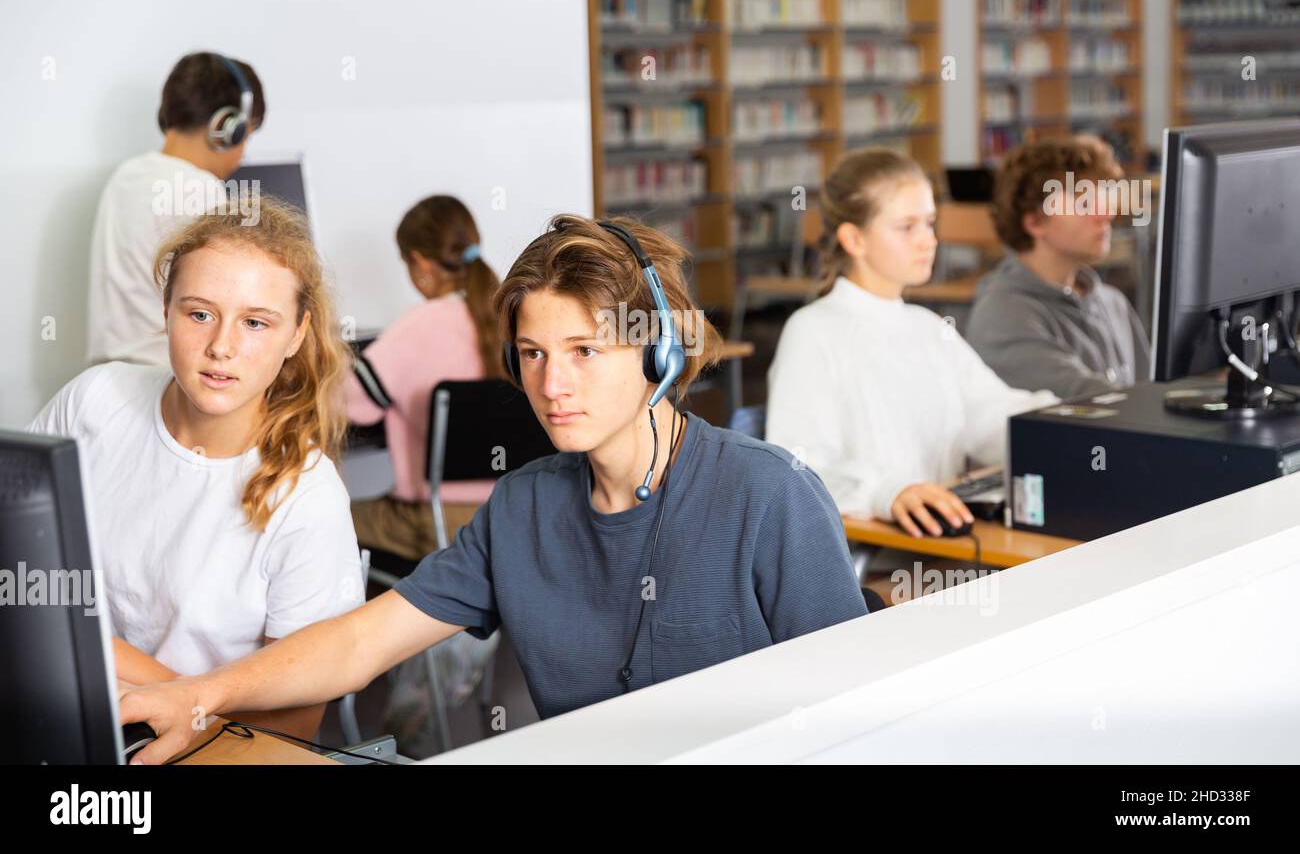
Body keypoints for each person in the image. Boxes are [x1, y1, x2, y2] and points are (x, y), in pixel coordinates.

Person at [118, 215, 869, 763]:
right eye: (534, 353)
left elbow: (863, 716)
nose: (552, 384)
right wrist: (200, 696)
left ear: (659, 352)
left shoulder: (769, 496)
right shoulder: (523, 507)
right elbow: (358, 642)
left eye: (585, 351)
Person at [32, 198, 361, 740]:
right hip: (59, 708)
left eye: (256, 322)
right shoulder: (96, 401)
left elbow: (293, 727)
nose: (221, 347)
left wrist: (103, 657)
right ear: (166, 310)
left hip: (203, 749)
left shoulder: (309, 501)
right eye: (199, 313)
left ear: (297, 335)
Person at [766, 148, 1057, 538]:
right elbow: (798, 464)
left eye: (930, 223)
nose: (928, 241)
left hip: (944, 537)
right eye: (907, 227)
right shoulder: (813, 331)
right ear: (854, 238)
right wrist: (887, 492)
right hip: (873, 546)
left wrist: (1061, 421)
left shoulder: (928, 326)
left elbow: (988, 414)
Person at [344, 195, 501, 560]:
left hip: (434, 524)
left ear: (418, 262)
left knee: (325, 521)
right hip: (509, 518)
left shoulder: (418, 324)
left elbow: (352, 406)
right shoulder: (510, 315)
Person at [87, 52, 266, 367]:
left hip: (107, 377)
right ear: (226, 128)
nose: (241, 156)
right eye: (245, 138)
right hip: (165, 380)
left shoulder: (126, 176)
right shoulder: (201, 190)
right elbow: (235, 305)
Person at [965, 136, 1151, 399]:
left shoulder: (1112, 303)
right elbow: (1101, 406)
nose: (1107, 213)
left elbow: (1150, 392)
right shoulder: (1003, 318)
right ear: (1034, 222)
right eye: (1084, 202)